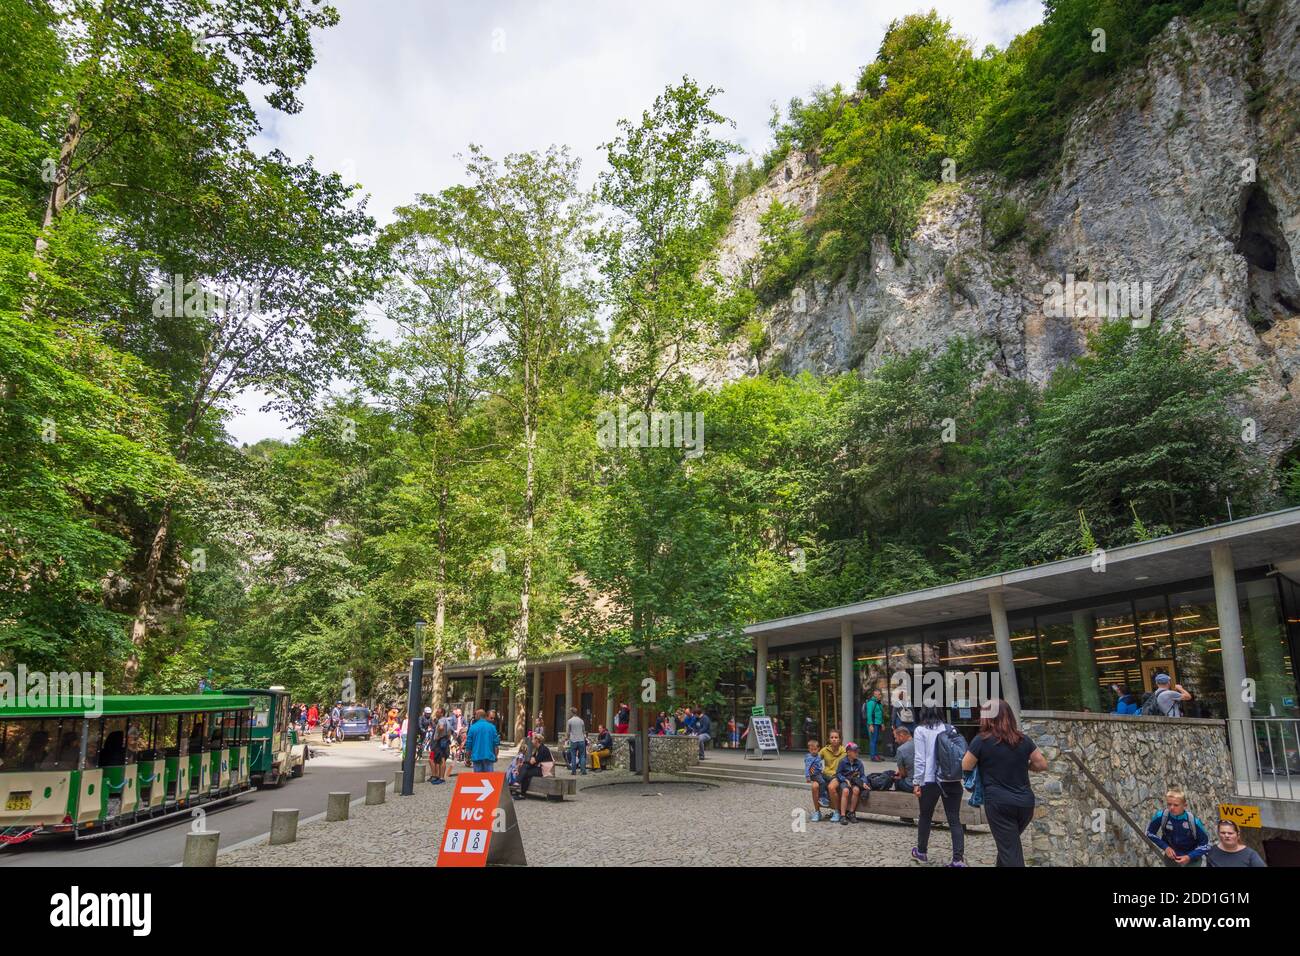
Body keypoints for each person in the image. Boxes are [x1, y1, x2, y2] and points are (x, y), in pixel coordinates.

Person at [962, 701, 1047, 866]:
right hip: (1025, 804)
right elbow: (1042, 764)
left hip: (999, 803)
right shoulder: (1024, 739)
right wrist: (1024, 765)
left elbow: (965, 765)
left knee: (1009, 850)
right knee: (1008, 845)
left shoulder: (981, 741)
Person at [911, 706, 966, 867]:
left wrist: (916, 782)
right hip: (952, 780)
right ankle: (958, 859)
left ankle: (921, 852)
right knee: (954, 820)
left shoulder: (920, 730)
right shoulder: (951, 728)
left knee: (925, 816)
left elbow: (920, 759)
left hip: (930, 780)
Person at [1146, 787, 1211, 866]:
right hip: (1171, 859)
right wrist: (1165, 847)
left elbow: (1205, 845)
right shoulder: (1161, 816)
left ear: (1184, 805)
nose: (1171, 808)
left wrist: (1189, 857)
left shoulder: (1194, 822)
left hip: (1191, 861)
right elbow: (1149, 833)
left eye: (1176, 805)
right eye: (1169, 804)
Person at [835, 742, 868, 825]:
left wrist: (864, 782)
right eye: (855, 751)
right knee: (845, 791)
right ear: (848, 752)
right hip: (845, 781)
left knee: (856, 790)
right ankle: (842, 815)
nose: (857, 753)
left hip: (854, 781)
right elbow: (838, 773)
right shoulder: (842, 761)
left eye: (857, 751)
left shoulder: (859, 763)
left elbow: (863, 775)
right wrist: (845, 780)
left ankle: (851, 812)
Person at [818, 730, 846, 821]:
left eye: (836, 737)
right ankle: (817, 811)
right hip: (825, 775)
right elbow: (815, 760)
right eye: (832, 737)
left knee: (831, 787)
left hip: (837, 776)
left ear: (840, 739)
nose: (834, 739)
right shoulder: (824, 750)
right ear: (829, 739)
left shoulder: (844, 751)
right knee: (814, 786)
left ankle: (836, 812)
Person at [514, 733, 553, 798]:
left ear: (537, 740)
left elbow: (533, 761)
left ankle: (519, 785)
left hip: (545, 771)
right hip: (539, 768)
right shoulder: (538, 749)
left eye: (532, 739)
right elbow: (532, 760)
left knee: (525, 771)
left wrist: (524, 764)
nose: (531, 741)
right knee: (525, 768)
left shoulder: (542, 749)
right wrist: (525, 764)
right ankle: (521, 792)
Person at [465, 708, 500, 773]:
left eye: (475, 715)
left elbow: (468, 745)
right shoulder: (492, 727)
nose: (474, 716)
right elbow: (496, 744)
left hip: (477, 757)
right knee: (489, 780)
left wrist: (467, 758)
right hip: (489, 756)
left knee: (478, 780)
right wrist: (496, 755)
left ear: (478, 715)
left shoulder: (473, 727)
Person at [804, 738, 826, 822]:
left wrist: (821, 770)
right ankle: (822, 797)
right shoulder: (809, 758)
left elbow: (819, 764)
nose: (813, 751)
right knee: (822, 782)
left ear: (818, 749)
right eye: (811, 750)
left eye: (815, 749)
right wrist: (807, 777)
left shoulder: (818, 756)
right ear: (809, 750)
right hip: (814, 775)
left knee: (825, 780)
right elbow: (807, 768)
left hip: (818, 773)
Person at [863, 689, 885, 762]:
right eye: (879, 694)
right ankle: (873, 756)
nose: (880, 696)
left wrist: (882, 723)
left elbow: (880, 714)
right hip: (873, 724)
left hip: (878, 724)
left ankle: (876, 755)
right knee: (873, 740)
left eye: (880, 694)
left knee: (876, 740)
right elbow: (869, 714)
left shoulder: (878, 703)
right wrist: (870, 725)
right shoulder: (871, 703)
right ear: (874, 695)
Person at [565, 708, 587, 776]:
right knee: (582, 756)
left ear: (572, 713)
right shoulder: (581, 720)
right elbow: (584, 731)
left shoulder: (570, 721)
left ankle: (573, 771)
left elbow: (568, 732)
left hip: (573, 740)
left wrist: (567, 738)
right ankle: (583, 771)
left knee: (573, 755)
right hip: (581, 740)